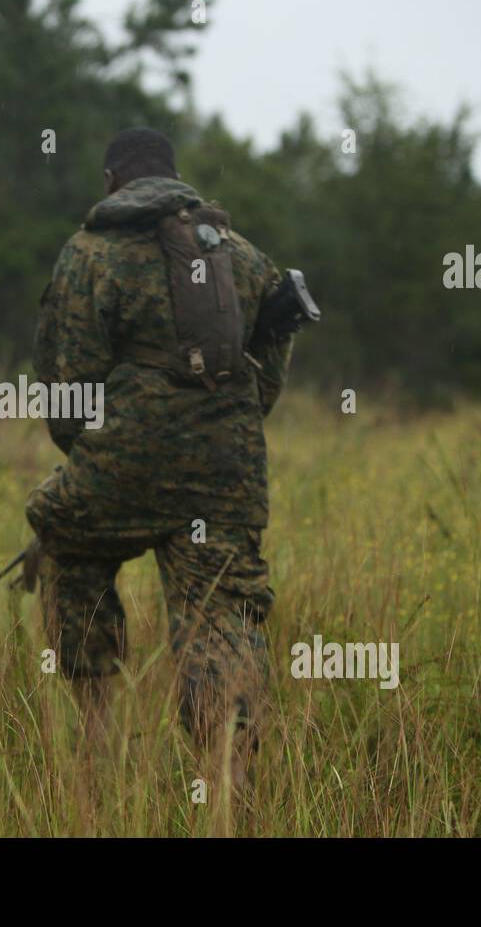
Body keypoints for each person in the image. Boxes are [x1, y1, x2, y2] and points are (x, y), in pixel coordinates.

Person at [25, 128, 296, 787]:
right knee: (222, 613)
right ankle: (232, 782)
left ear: (113, 182)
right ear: (175, 180)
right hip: (226, 476)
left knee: (62, 536)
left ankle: (96, 735)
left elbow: (68, 389)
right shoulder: (240, 254)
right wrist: (223, 428)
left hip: (120, 467)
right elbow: (266, 370)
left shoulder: (89, 254)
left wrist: (91, 458)